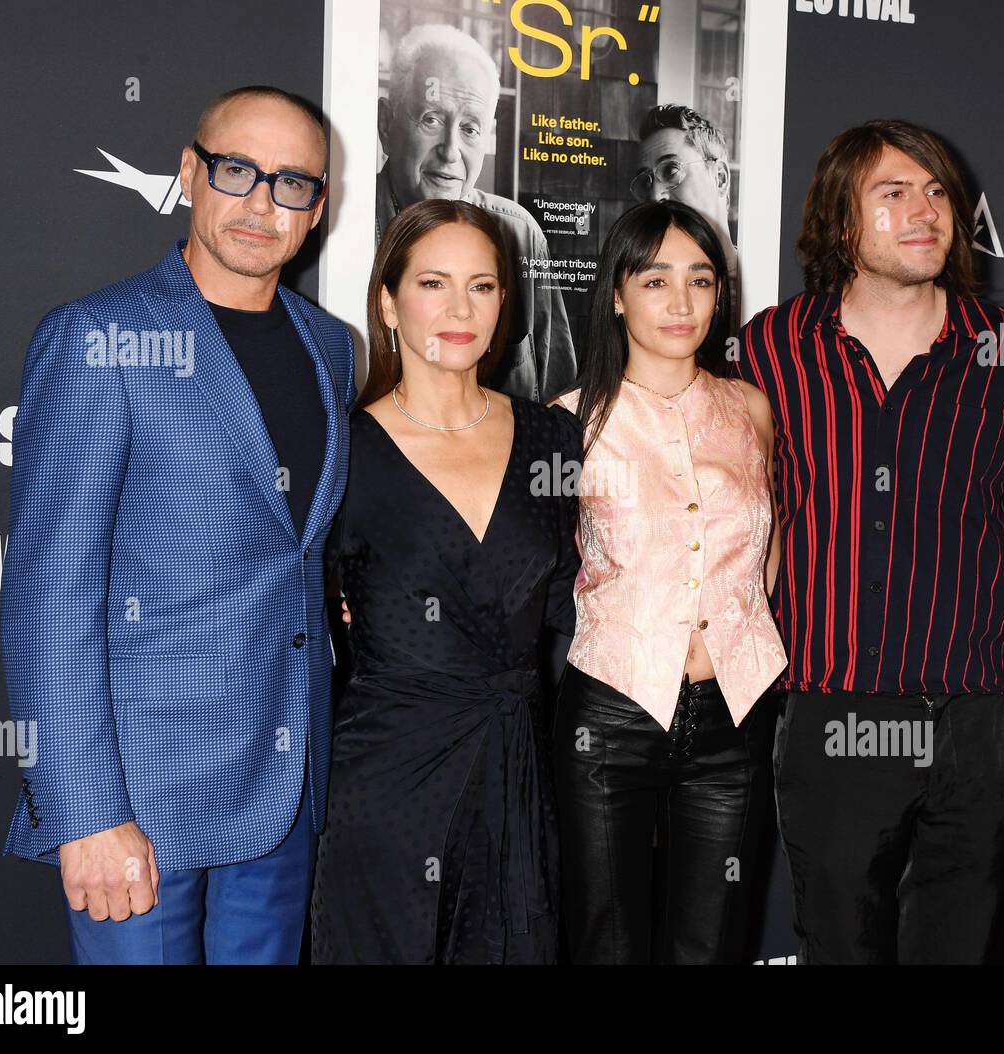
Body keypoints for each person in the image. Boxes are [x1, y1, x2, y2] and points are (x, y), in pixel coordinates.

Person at [0, 86, 355, 963]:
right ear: (191, 175)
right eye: (237, 171)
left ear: (318, 208)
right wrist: (85, 813)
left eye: (293, 184)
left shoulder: (334, 347)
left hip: (282, 789)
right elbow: (49, 598)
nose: (261, 203)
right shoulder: (97, 338)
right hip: (137, 803)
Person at [732, 119, 1004, 964]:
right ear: (842, 221)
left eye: (937, 194)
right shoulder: (771, 348)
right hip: (829, 718)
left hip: (976, 724)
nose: (925, 211)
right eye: (893, 194)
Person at [310, 198, 581, 964]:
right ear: (389, 303)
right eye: (434, 283)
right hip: (386, 778)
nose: (461, 307)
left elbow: (586, 603)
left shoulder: (552, 439)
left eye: (484, 286)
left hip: (517, 775)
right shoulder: (346, 449)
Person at [551, 200, 787, 964]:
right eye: (655, 281)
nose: (682, 303)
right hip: (609, 716)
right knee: (606, 943)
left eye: (701, 280)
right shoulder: (565, 421)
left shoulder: (750, 408)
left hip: (734, 715)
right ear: (616, 294)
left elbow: (769, 536)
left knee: (713, 941)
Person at [376, 21, 576, 402]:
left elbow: (558, 396)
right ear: (386, 123)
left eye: (470, 128)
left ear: (488, 137)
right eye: (431, 119)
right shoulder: (345, 226)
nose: (450, 151)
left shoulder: (520, 236)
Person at [632, 104, 740, 331]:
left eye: (671, 171)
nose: (655, 195)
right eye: (645, 183)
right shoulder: (639, 301)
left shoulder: (772, 292)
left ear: (720, 178)